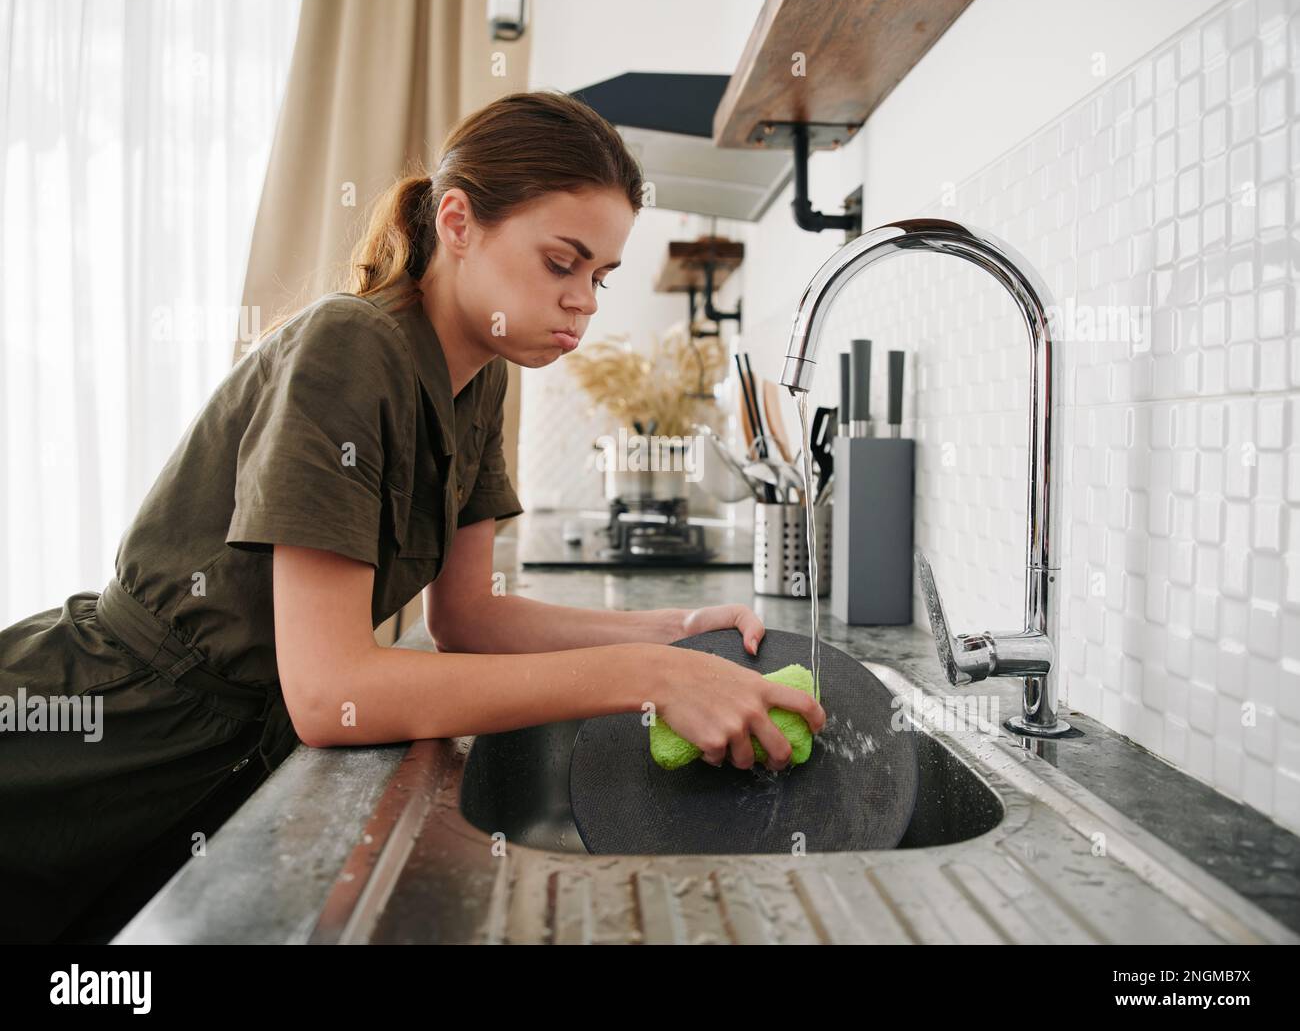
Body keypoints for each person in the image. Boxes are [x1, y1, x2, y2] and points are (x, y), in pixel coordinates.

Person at [0, 90, 826, 944]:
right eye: (560, 263)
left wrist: (676, 635)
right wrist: (649, 680)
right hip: (92, 740)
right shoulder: (350, 347)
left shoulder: (481, 376)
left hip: (217, 761)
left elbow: (467, 617)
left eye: (599, 276)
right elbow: (331, 693)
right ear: (459, 221)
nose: (585, 301)